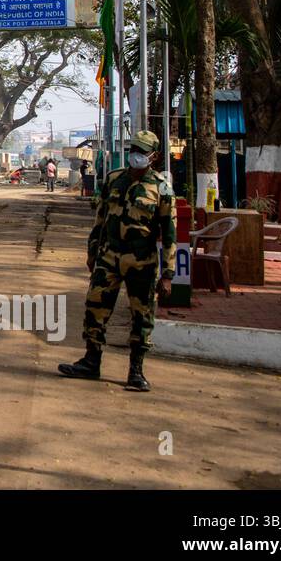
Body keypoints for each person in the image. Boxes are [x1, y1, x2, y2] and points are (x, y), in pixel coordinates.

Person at [59, 130, 175, 392]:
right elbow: (100, 220)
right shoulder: (113, 179)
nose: (136, 155)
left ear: (153, 156)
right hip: (108, 258)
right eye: (134, 149)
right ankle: (91, 361)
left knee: (142, 316)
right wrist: (92, 253)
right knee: (95, 308)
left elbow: (169, 234)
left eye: (142, 151)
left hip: (141, 263)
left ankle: (136, 370)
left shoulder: (161, 189)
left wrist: (168, 274)